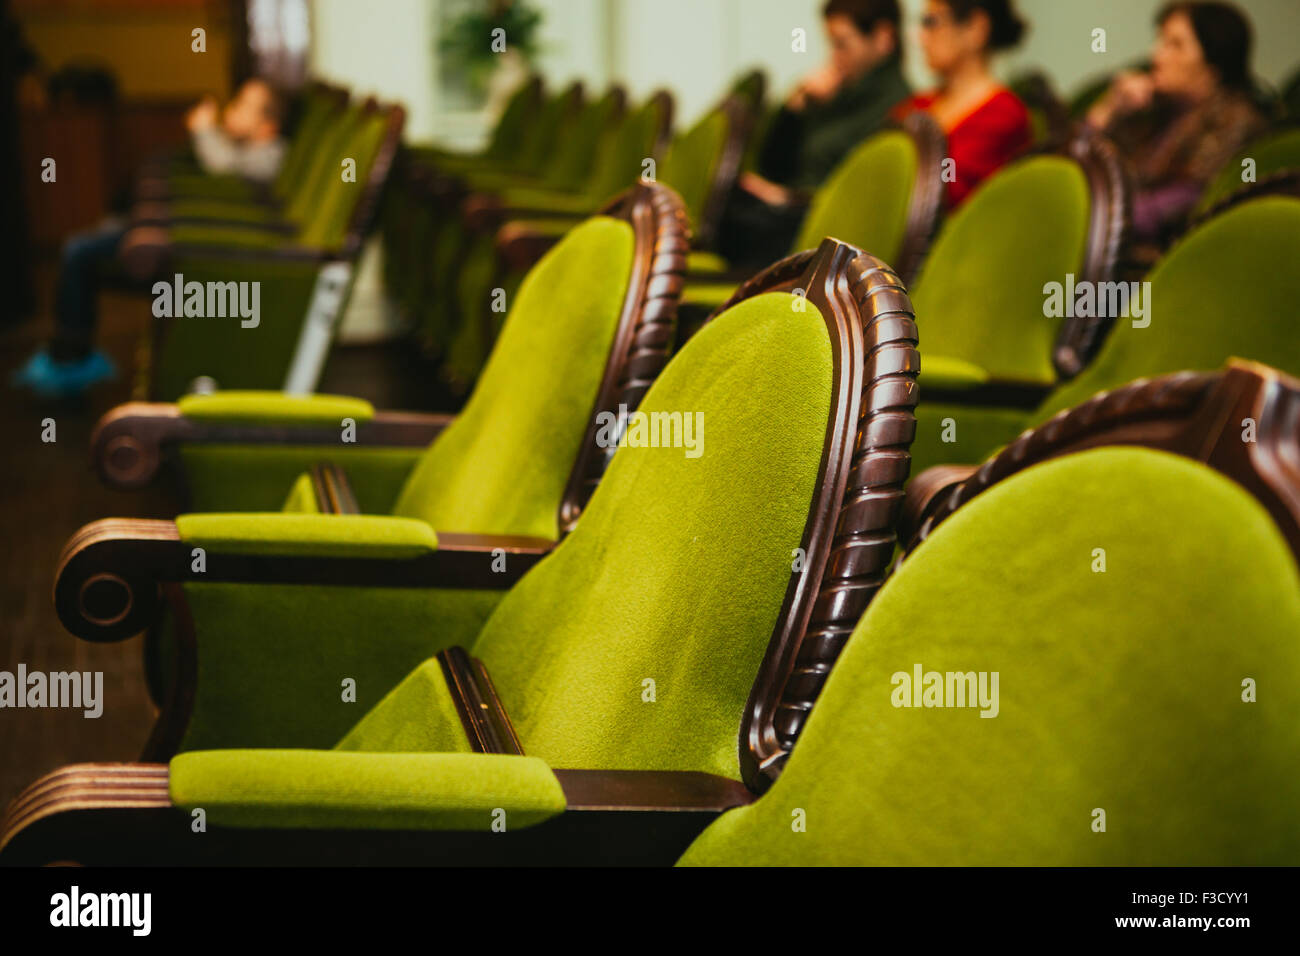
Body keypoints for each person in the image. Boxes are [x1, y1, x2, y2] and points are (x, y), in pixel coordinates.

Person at [13, 77, 287, 397]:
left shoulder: (271, 153)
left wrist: (203, 129)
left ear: (268, 126)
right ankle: (73, 354)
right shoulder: (244, 147)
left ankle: (71, 360)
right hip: (181, 230)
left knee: (79, 249)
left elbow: (222, 168)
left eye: (243, 106)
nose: (231, 110)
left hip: (197, 246)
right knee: (95, 235)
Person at [717, 0, 911, 267]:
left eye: (842, 44)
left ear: (883, 38)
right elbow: (771, 164)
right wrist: (796, 107)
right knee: (727, 203)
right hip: (793, 216)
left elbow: (863, 199)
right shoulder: (837, 97)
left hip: (820, 233)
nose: (834, 57)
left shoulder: (897, 109)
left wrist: (789, 198)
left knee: (729, 221)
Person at [1085, 2, 1265, 246]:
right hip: (1113, 239)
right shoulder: (1155, 110)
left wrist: (1083, 209)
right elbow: (1077, 161)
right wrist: (1109, 108)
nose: (1155, 55)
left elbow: (1162, 213)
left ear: (1213, 65)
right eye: (1160, 41)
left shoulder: (1235, 121)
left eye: (1176, 45)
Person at [892, 0, 1031, 207]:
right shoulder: (919, 104)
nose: (920, 38)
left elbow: (946, 188)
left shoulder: (1003, 115)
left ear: (976, 28)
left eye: (931, 22)